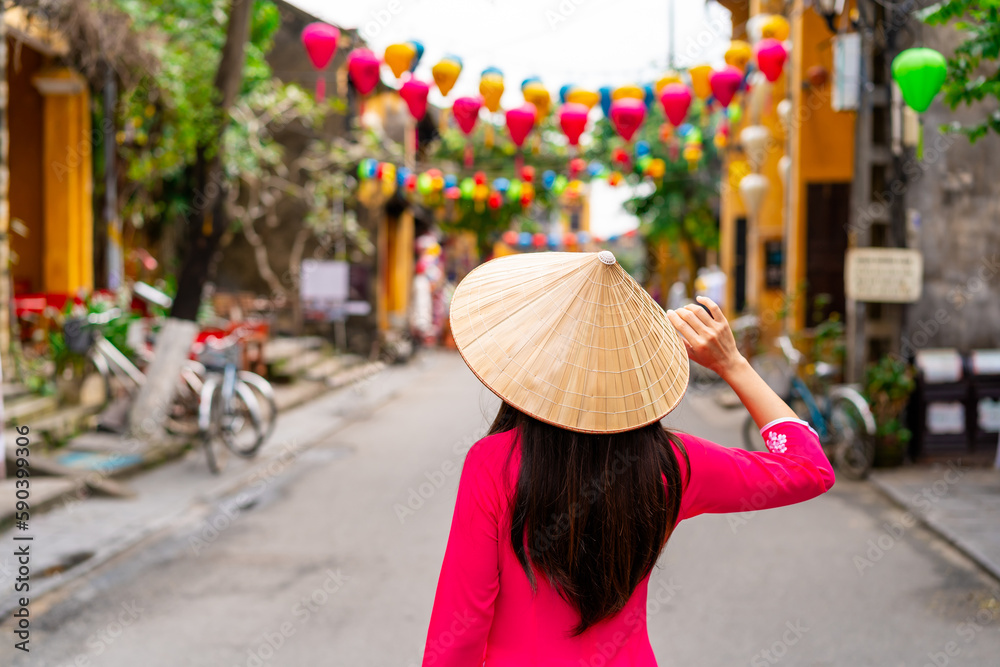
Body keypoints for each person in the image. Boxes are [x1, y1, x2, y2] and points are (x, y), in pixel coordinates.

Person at [422, 251, 834, 666]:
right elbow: (808, 468)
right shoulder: (672, 463)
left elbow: (459, 628)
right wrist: (733, 365)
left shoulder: (492, 462)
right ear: (633, 367)